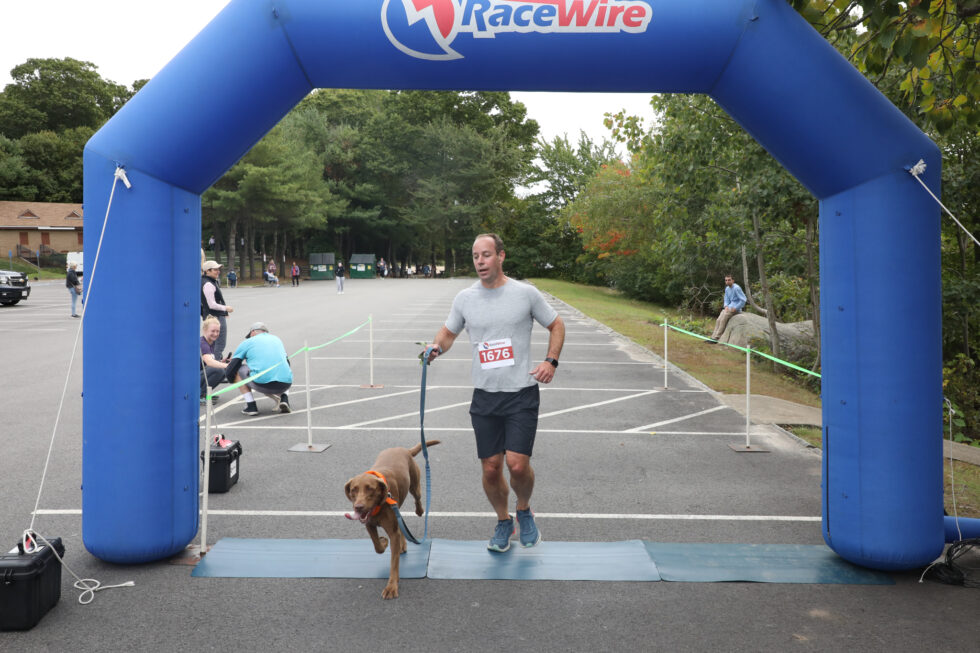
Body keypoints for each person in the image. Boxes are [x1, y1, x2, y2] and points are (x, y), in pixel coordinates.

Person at [424, 233, 565, 552]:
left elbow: (557, 325)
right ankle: (504, 521)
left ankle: (524, 510)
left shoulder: (525, 294)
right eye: (475, 256)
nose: (480, 262)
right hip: (485, 396)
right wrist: (436, 348)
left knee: (516, 464)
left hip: (521, 394)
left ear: (501, 256)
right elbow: (448, 333)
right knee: (490, 468)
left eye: (486, 255)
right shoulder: (465, 298)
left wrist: (550, 361)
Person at [225, 322, 293, 415]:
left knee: (239, 368)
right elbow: (287, 363)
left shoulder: (247, 342)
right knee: (284, 369)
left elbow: (232, 367)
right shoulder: (277, 339)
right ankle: (284, 399)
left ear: (252, 332)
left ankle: (251, 406)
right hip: (285, 384)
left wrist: (231, 379)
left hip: (262, 383)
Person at [201, 260, 234, 360]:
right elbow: (211, 304)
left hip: (212, 316)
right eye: (215, 270)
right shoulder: (208, 284)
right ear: (207, 271)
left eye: (218, 269)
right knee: (219, 343)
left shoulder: (207, 281)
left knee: (213, 342)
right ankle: (215, 366)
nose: (218, 271)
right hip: (215, 317)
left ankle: (214, 362)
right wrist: (225, 308)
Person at [708, 274, 747, 343]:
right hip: (729, 308)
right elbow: (726, 299)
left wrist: (736, 308)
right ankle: (712, 337)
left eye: (729, 280)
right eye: (726, 280)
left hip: (735, 309)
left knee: (723, 319)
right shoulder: (727, 289)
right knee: (718, 320)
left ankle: (717, 338)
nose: (727, 281)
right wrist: (726, 306)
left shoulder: (736, 288)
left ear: (733, 280)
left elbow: (743, 299)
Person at [200, 316, 230, 404]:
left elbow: (207, 362)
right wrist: (228, 366)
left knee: (221, 369)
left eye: (218, 331)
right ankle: (200, 395)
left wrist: (222, 362)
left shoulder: (210, 342)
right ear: (205, 330)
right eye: (212, 331)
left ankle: (205, 393)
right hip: (190, 378)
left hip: (199, 374)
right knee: (218, 370)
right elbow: (209, 362)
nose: (216, 334)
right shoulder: (203, 343)